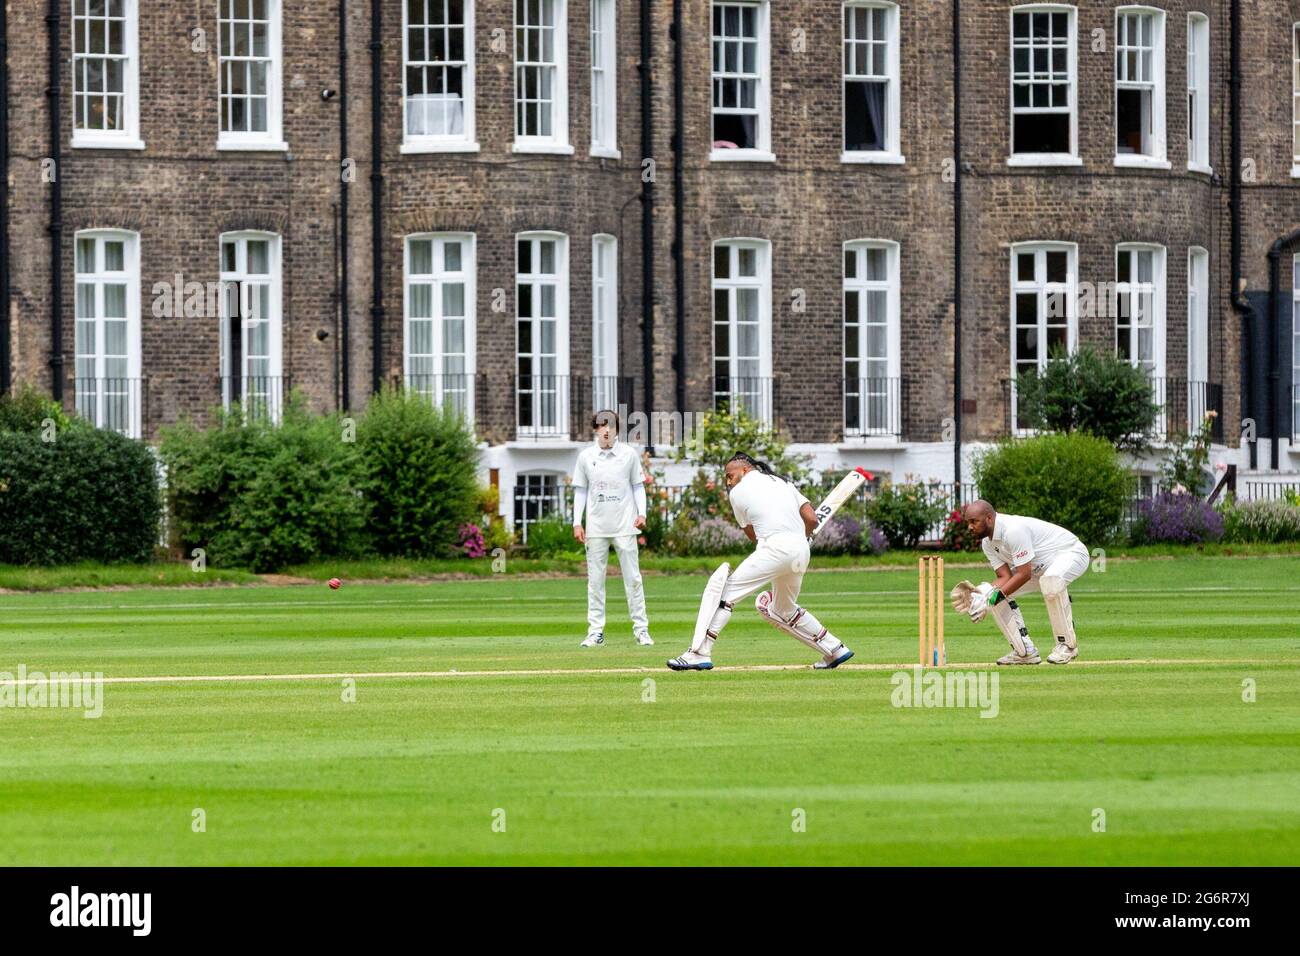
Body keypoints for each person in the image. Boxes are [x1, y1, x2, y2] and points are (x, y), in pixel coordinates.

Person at [666, 452, 853, 671]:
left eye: (730, 475)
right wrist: (805, 535)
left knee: (725, 594)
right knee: (784, 609)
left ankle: (699, 653)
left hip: (774, 548)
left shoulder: (738, 493)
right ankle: (835, 648)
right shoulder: (784, 483)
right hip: (800, 551)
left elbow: (753, 535)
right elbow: (812, 519)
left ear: (745, 470)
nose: (728, 482)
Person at [951, 500, 1089, 665]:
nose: (970, 527)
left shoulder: (1013, 530)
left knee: (1050, 582)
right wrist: (981, 595)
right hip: (1037, 569)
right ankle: (1024, 652)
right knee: (992, 594)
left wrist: (990, 600)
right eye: (968, 522)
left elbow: (1023, 574)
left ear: (989, 518)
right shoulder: (987, 543)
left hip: (1071, 554)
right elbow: (1005, 578)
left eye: (974, 522)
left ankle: (1067, 645)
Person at [572, 410, 653, 647]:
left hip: (625, 526)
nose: (607, 431)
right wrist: (577, 521)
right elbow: (581, 490)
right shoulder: (586, 456)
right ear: (595, 429)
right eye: (602, 426)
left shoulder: (628, 454)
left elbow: (638, 486)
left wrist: (642, 513)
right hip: (596, 528)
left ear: (617, 429)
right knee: (595, 581)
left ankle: (641, 629)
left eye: (611, 426)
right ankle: (595, 632)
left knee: (634, 579)